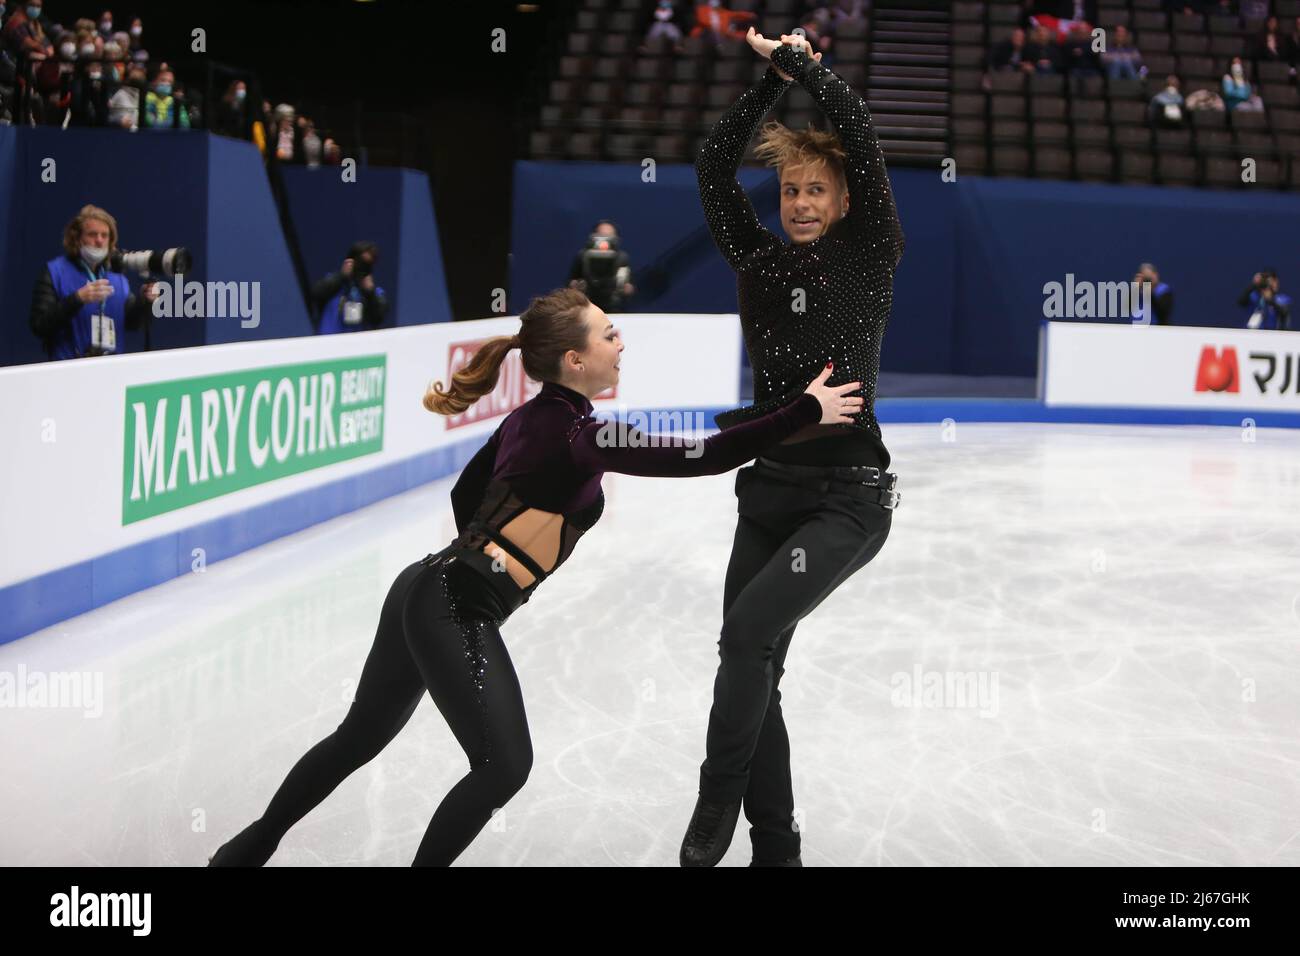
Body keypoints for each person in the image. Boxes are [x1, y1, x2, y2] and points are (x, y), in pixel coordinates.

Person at [206, 287, 864, 866]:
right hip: (452, 605)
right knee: (503, 768)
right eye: (609, 334)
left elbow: (469, 494)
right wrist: (803, 411)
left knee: (359, 737)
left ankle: (246, 851)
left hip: (422, 586)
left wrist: (489, 556)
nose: (620, 341)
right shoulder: (583, 436)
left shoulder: (535, 420)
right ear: (575, 361)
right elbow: (704, 455)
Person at [685, 29, 902, 867]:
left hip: (845, 501)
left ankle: (714, 808)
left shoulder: (870, 253)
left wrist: (807, 67)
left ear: (846, 200)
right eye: (789, 191)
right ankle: (776, 847)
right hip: (767, 493)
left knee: (745, 641)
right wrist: (768, 85)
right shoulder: (760, 261)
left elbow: (861, 132)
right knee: (755, 662)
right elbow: (711, 168)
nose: (802, 203)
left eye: (817, 189)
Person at [28, 204, 159, 360]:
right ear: (76, 238)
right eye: (92, 234)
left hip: (110, 370)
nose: (99, 240)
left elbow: (133, 323)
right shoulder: (54, 272)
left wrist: (146, 302)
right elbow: (39, 325)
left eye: (105, 235)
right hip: (67, 370)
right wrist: (77, 299)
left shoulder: (116, 277)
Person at [310, 241, 389, 333]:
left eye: (367, 264)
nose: (362, 268)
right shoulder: (333, 282)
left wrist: (370, 294)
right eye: (361, 263)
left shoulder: (376, 293)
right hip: (329, 342)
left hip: (358, 344)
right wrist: (341, 277)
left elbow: (378, 319)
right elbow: (315, 294)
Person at [567, 220, 634, 313]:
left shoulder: (622, 257)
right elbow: (571, 281)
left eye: (609, 235)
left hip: (612, 304)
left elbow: (628, 285)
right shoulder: (583, 256)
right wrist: (576, 286)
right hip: (587, 303)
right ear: (593, 236)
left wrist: (626, 288)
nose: (605, 239)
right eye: (601, 235)